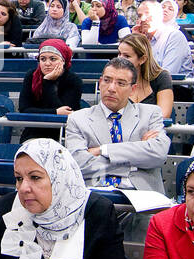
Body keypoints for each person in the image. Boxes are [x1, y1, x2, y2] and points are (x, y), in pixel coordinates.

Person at [64, 57, 172, 192]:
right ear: (100, 82)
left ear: (133, 89)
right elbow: (78, 163)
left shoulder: (150, 113)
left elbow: (158, 154)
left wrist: (103, 150)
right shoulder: (78, 119)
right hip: (95, 195)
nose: (111, 88)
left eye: (120, 83)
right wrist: (135, 161)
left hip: (142, 196)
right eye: (107, 80)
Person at [17, 38, 83, 141]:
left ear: (63, 61)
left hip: (64, 135)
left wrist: (48, 83)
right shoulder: (31, 76)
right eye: (43, 59)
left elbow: (65, 114)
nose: (47, 63)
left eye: (53, 59)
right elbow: (24, 110)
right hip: (34, 132)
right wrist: (55, 112)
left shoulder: (73, 80)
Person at [118, 33, 173, 120]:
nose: (120, 59)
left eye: (126, 56)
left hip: (153, 132)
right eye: (119, 54)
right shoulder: (114, 79)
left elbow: (164, 114)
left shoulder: (162, 77)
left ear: (142, 59)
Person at [134, 0, 193, 75]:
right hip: (146, 83)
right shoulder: (142, 39)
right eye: (140, 16)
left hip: (173, 85)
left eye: (148, 14)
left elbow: (167, 74)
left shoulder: (174, 36)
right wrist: (135, 42)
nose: (143, 19)